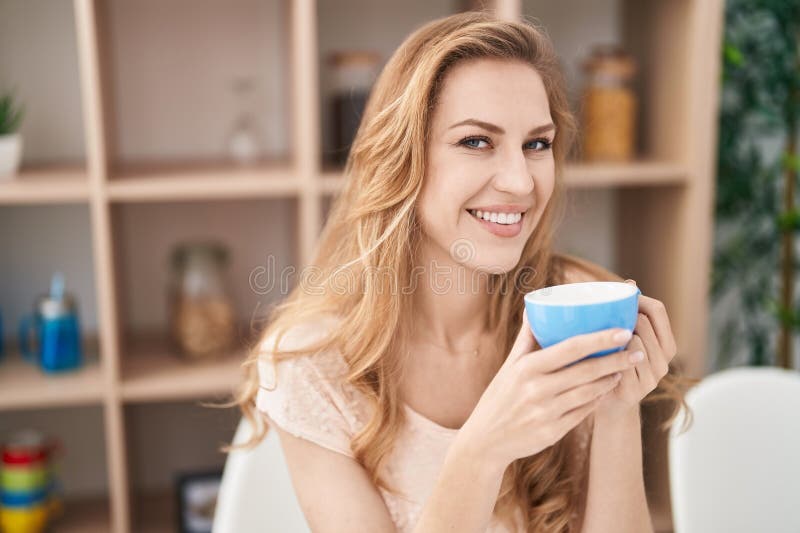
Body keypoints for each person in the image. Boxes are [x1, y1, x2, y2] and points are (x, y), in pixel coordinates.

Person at [227, 10, 694, 533]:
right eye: (477, 142)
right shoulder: (313, 362)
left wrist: (615, 413)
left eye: (536, 144)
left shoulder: (577, 310)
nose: (521, 183)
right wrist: (482, 451)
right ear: (402, 159)